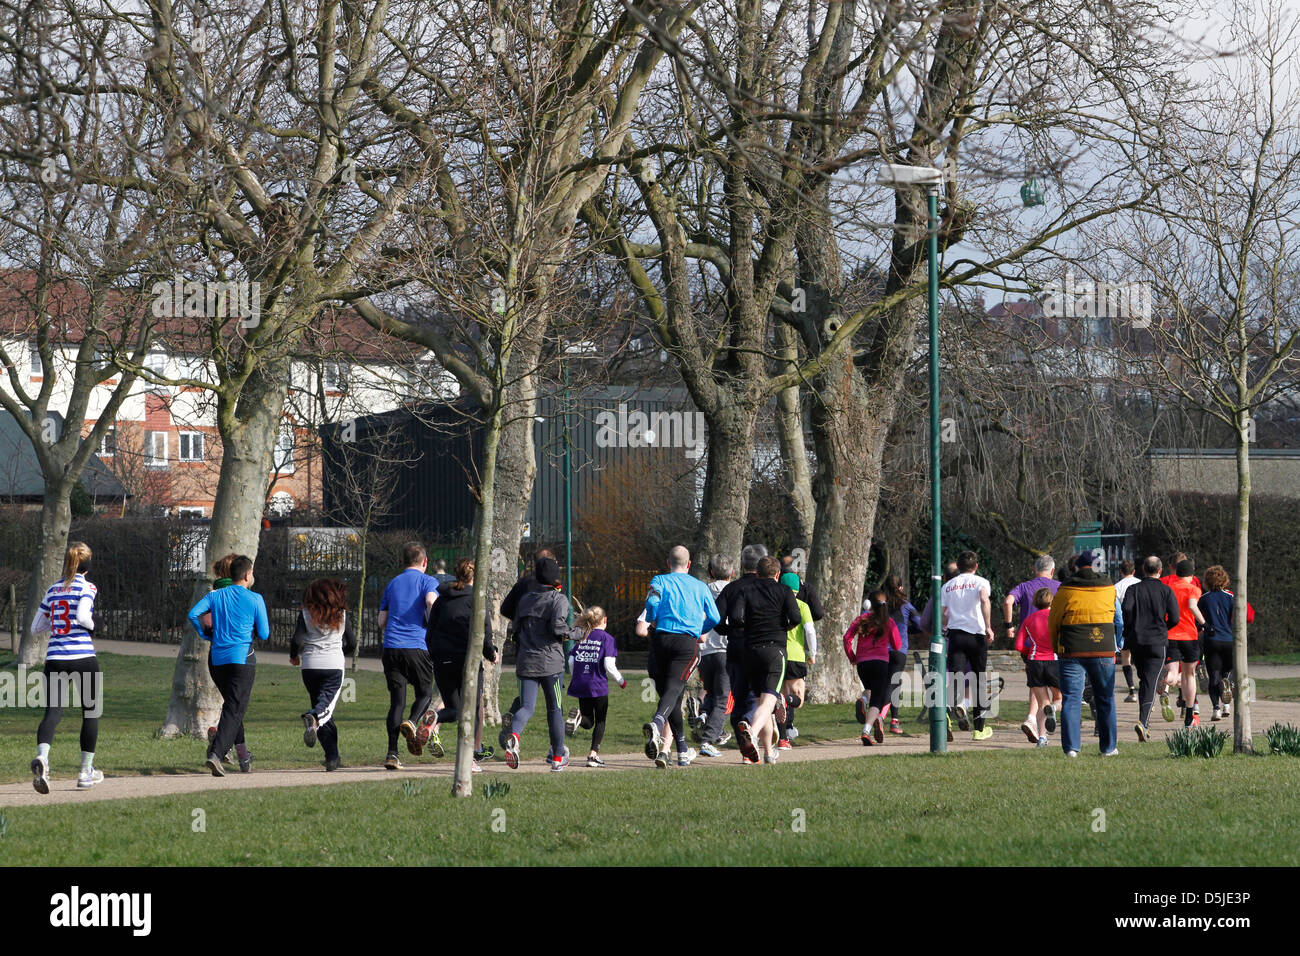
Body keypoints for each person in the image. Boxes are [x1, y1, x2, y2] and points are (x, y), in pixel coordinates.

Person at [29, 542, 103, 793]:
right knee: (90, 712)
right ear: (87, 563)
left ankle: (43, 758)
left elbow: (36, 627)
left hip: (55, 658)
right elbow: (83, 617)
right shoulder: (88, 586)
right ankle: (85, 772)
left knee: (53, 712)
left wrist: (59, 625)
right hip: (83, 657)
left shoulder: (52, 589)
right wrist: (93, 625)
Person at [637, 545, 720, 768]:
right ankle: (657, 723)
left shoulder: (659, 581)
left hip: (661, 639)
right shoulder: (700, 586)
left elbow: (652, 603)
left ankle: (682, 750)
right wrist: (699, 628)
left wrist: (654, 619)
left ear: (668, 563)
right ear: (689, 564)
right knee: (674, 689)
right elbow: (715, 616)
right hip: (685, 642)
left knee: (670, 693)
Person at [187, 554, 270, 776]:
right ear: (246, 575)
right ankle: (216, 753)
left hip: (217, 660)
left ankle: (242, 756)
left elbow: (193, 613)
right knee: (235, 708)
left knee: (233, 707)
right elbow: (263, 633)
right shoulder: (255, 599)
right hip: (242, 659)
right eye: (251, 573)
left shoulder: (215, 595)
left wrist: (204, 634)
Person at [500, 556, 582, 771]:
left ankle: (514, 736)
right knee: (555, 710)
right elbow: (559, 629)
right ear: (556, 578)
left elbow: (515, 627)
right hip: (551, 665)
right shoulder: (559, 599)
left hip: (526, 662)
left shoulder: (525, 599)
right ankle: (557, 758)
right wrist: (579, 633)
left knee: (526, 707)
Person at [421, 558, 498, 771]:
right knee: (471, 710)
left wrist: (435, 653)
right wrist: (491, 653)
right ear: (476, 576)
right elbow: (483, 631)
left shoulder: (442, 598)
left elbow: (430, 631)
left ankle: (435, 716)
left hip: (442, 660)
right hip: (468, 661)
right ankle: (468, 760)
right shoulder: (476, 599)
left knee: (454, 709)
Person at [728, 556, 801, 764]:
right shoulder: (784, 591)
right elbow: (795, 618)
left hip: (750, 651)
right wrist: (782, 627)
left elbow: (735, 618)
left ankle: (769, 752)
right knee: (769, 701)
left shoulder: (746, 591)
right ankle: (751, 731)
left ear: (757, 573)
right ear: (777, 575)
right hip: (774, 650)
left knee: (761, 703)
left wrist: (749, 627)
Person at [1048, 551, 1120, 756]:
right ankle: (1108, 747)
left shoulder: (1066, 589)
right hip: (1103, 647)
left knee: (1071, 698)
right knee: (1105, 697)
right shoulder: (1109, 588)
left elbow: (1054, 620)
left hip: (1072, 648)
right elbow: (1117, 617)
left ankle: (1072, 748)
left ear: (1077, 567)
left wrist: (1056, 646)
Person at [378, 542, 440, 769]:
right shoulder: (428, 581)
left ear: (403, 561)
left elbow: (381, 621)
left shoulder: (392, 584)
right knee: (425, 692)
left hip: (392, 647)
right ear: (424, 562)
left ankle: (392, 754)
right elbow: (431, 601)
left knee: (396, 702)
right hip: (417, 646)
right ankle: (412, 722)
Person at [289, 578, 356, 771]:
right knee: (323, 710)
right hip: (333, 666)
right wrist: (340, 654)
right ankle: (313, 717)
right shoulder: (342, 615)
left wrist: (294, 656)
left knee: (326, 711)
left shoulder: (305, 614)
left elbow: (297, 640)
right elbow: (351, 642)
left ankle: (332, 758)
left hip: (310, 667)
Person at [715, 544, 770, 762]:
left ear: (741, 565)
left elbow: (715, 619)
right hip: (761, 645)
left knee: (738, 696)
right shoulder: (767, 588)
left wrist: (730, 631)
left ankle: (744, 743)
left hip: (736, 646)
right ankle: (750, 729)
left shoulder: (732, 588)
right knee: (757, 697)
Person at [1121, 556, 1179, 740]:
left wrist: (1131, 628)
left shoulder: (1133, 589)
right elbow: (1175, 617)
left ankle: (1143, 721)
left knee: (1145, 679)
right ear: (1160, 571)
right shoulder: (1166, 590)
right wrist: (1163, 628)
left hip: (1137, 641)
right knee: (1149, 682)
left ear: (1143, 570)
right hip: (1157, 641)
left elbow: (1127, 610)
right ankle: (1143, 722)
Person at [942, 551, 996, 741]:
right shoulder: (981, 583)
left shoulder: (948, 586)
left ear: (958, 566)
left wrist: (944, 628)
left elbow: (944, 612)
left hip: (956, 635)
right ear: (976, 566)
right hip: (976, 635)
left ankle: (948, 711)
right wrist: (988, 626)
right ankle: (979, 729)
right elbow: (983, 600)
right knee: (978, 680)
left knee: (955, 676)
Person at [565, 606, 626, 766]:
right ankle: (593, 756)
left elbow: (571, 661)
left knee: (588, 721)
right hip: (597, 685)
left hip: (580, 683)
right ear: (604, 620)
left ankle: (578, 717)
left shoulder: (581, 637)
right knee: (600, 721)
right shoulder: (607, 639)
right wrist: (621, 681)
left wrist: (576, 676)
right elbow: (609, 665)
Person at [843, 591, 901, 746]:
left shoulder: (861, 619)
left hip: (862, 663)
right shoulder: (888, 621)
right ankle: (866, 731)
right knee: (878, 699)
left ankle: (863, 700)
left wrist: (852, 657)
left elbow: (846, 638)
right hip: (880, 663)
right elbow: (897, 645)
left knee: (869, 689)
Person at [692, 554, 734, 757]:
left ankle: (702, 713)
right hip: (726, 649)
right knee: (722, 698)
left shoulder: (702, 591)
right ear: (732, 573)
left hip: (705, 650)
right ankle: (708, 739)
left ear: (710, 572)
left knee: (709, 692)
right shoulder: (735, 590)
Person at [1163, 558, 1205, 727]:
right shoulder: (1193, 589)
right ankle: (1189, 713)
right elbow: (1193, 606)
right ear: (1191, 574)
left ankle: (1166, 682)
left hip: (1170, 635)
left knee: (1172, 673)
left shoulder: (1168, 589)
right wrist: (1204, 623)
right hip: (1189, 636)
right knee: (1189, 674)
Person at [1015, 587, 1058, 747]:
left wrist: (1030, 651)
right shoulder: (1056, 618)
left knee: (1042, 704)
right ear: (1052, 601)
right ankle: (1054, 708)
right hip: (1053, 660)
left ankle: (1042, 738)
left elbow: (1019, 646)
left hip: (1034, 662)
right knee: (1060, 698)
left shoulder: (1029, 619)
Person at [882, 573, 925, 734]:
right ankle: (882, 717)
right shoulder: (906, 606)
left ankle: (892, 719)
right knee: (893, 683)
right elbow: (920, 625)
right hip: (898, 649)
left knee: (890, 683)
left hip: (880, 650)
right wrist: (907, 629)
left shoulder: (880, 605)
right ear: (901, 588)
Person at [1198, 566, 1237, 722]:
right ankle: (1227, 702)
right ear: (1224, 580)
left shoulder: (1204, 598)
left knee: (1213, 674)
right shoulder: (1231, 597)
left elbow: (1198, 620)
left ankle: (1216, 709)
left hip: (1211, 640)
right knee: (1227, 671)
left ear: (1207, 581)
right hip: (1228, 639)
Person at [780, 589, 816, 749]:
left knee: (780, 692)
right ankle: (785, 709)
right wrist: (812, 653)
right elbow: (809, 631)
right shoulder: (802, 606)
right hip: (796, 655)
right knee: (797, 699)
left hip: (778, 653)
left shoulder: (777, 604)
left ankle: (786, 730)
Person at [1113, 559, 1140, 701]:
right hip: (1140, 626)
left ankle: (1131, 690)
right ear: (1134, 571)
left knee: (1125, 657)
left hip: (1124, 626)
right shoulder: (1140, 583)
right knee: (1140, 658)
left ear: (1120, 572)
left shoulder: (1116, 587)